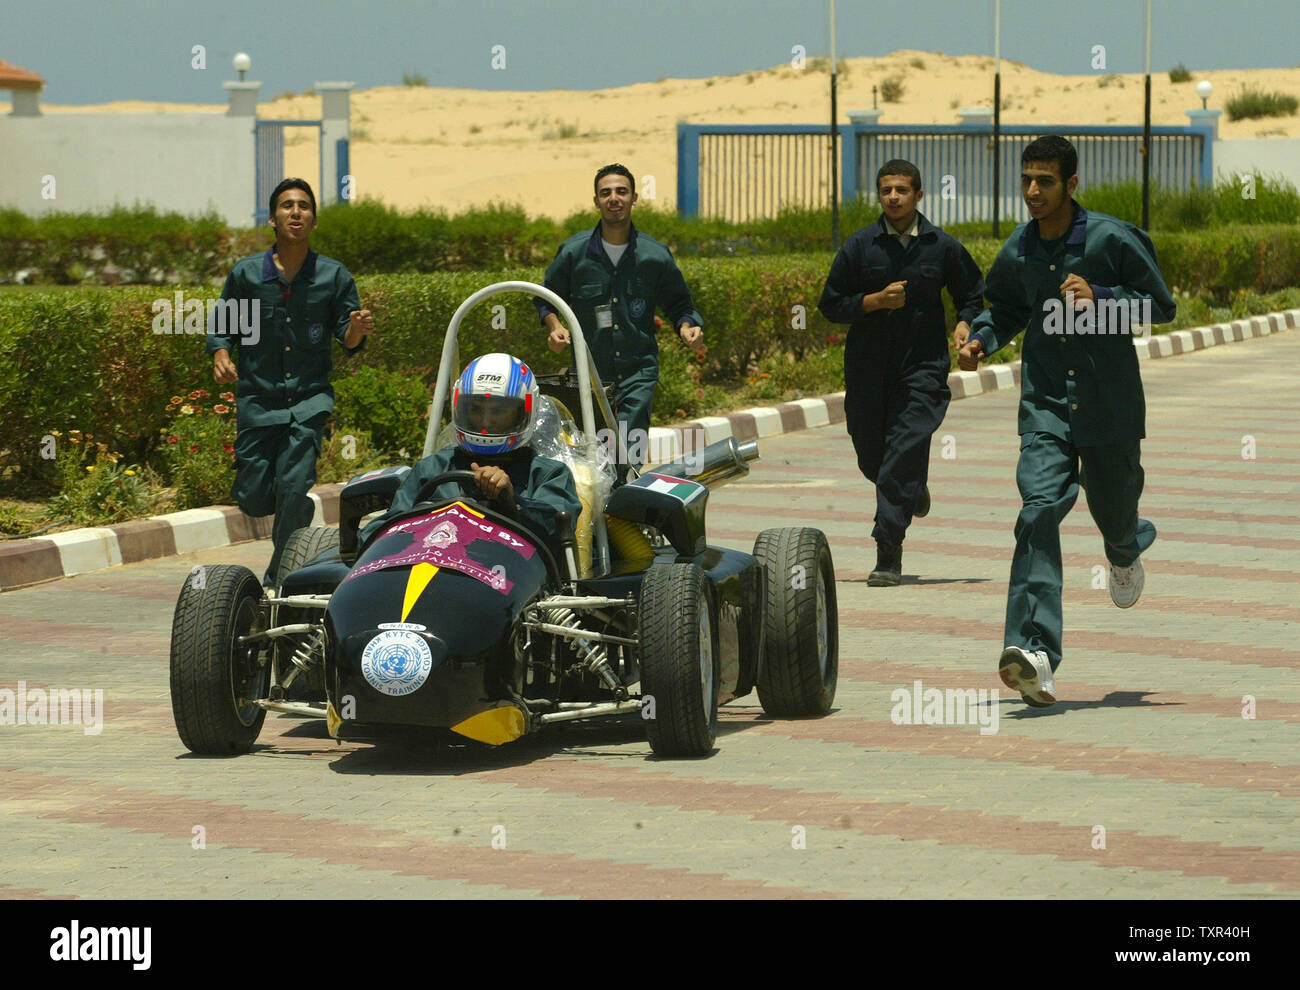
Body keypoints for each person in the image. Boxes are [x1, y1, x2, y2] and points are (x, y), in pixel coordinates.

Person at [956, 135, 1176, 707]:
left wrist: (1101, 296)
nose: (1032, 191)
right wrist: (981, 339)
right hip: (1047, 407)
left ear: (1071, 185)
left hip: (1109, 406)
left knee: (1115, 512)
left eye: (1045, 181)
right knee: (1037, 512)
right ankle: (1033, 653)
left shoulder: (1110, 238)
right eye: (1026, 179)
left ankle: (1126, 548)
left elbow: (1160, 306)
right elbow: (1003, 308)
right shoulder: (1020, 248)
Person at [818, 159, 984, 586]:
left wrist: (965, 323)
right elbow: (830, 303)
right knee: (872, 453)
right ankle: (910, 487)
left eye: (902, 190)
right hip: (868, 369)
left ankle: (888, 551)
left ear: (919, 195)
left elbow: (974, 293)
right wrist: (873, 301)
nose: (893, 197)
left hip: (923, 369)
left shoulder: (941, 246)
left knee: (903, 450)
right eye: (886, 190)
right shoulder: (860, 246)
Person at [207, 178, 375, 586]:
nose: (295, 212)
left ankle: (279, 578)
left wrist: (356, 328)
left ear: (314, 221)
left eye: (303, 206)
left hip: (308, 401)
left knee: (294, 486)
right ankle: (282, 524)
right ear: (272, 218)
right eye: (286, 205)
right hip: (258, 401)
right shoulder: (247, 275)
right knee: (253, 496)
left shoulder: (333, 276)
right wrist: (222, 354)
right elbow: (224, 327)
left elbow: (348, 337)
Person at [535, 163, 705, 468]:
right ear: (596, 201)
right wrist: (555, 326)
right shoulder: (574, 253)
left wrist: (687, 326)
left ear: (634, 198)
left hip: (638, 371)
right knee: (594, 456)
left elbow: (680, 304)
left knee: (628, 454)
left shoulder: (655, 255)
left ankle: (624, 505)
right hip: (589, 374)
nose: (614, 198)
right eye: (606, 192)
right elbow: (546, 296)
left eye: (621, 191)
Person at [360, 353, 581, 562]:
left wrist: (512, 501)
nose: (485, 420)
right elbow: (384, 532)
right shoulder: (433, 469)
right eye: (476, 409)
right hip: (436, 580)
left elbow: (556, 534)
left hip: (511, 587)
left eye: (498, 411)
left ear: (525, 411)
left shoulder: (548, 474)